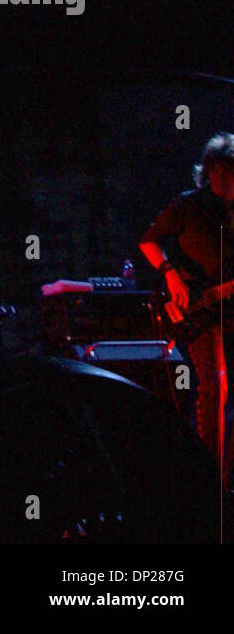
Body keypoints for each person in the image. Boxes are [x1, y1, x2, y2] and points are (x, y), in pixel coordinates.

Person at [139, 132, 234, 489]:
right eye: (216, 173)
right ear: (206, 173)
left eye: (229, 173)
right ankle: (209, 476)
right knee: (213, 388)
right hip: (195, 311)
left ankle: (225, 476)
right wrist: (171, 275)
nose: (222, 181)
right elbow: (148, 240)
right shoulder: (189, 205)